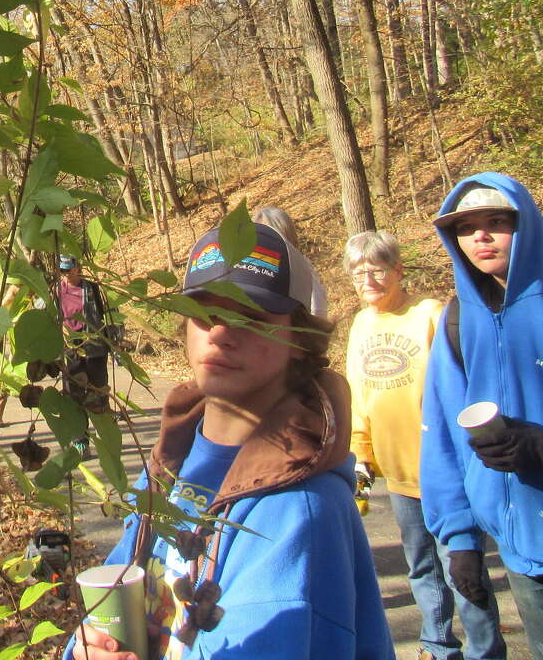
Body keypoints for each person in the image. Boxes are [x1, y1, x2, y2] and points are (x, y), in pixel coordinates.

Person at [68, 221, 391, 660]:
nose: (220, 332)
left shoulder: (301, 511)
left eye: (250, 316)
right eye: (204, 312)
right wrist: (89, 647)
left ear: (300, 339)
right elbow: (118, 589)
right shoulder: (171, 461)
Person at [422, 174, 543, 660]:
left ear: (529, 228)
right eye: (466, 228)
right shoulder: (457, 322)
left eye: (497, 222)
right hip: (522, 559)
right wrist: (460, 540)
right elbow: (442, 439)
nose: (480, 236)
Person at [344, 231, 505, 660]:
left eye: (377, 269)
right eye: (358, 272)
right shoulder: (361, 325)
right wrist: (361, 457)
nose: (368, 279)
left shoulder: (430, 314)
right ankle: (437, 644)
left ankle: (484, 651)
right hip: (398, 477)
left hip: (446, 473)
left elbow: (460, 386)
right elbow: (360, 400)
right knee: (422, 568)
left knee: (463, 570)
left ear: (398, 270)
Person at [54, 255, 111, 451]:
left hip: (94, 348)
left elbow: (107, 314)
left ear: (78, 268)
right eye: (62, 270)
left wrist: (114, 343)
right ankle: (80, 439)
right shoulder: (55, 290)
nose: (66, 274)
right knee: (73, 396)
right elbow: (42, 312)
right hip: (70, 349)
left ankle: (106, 438)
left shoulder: (92, 289)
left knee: (98, 393)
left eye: (69, 269)